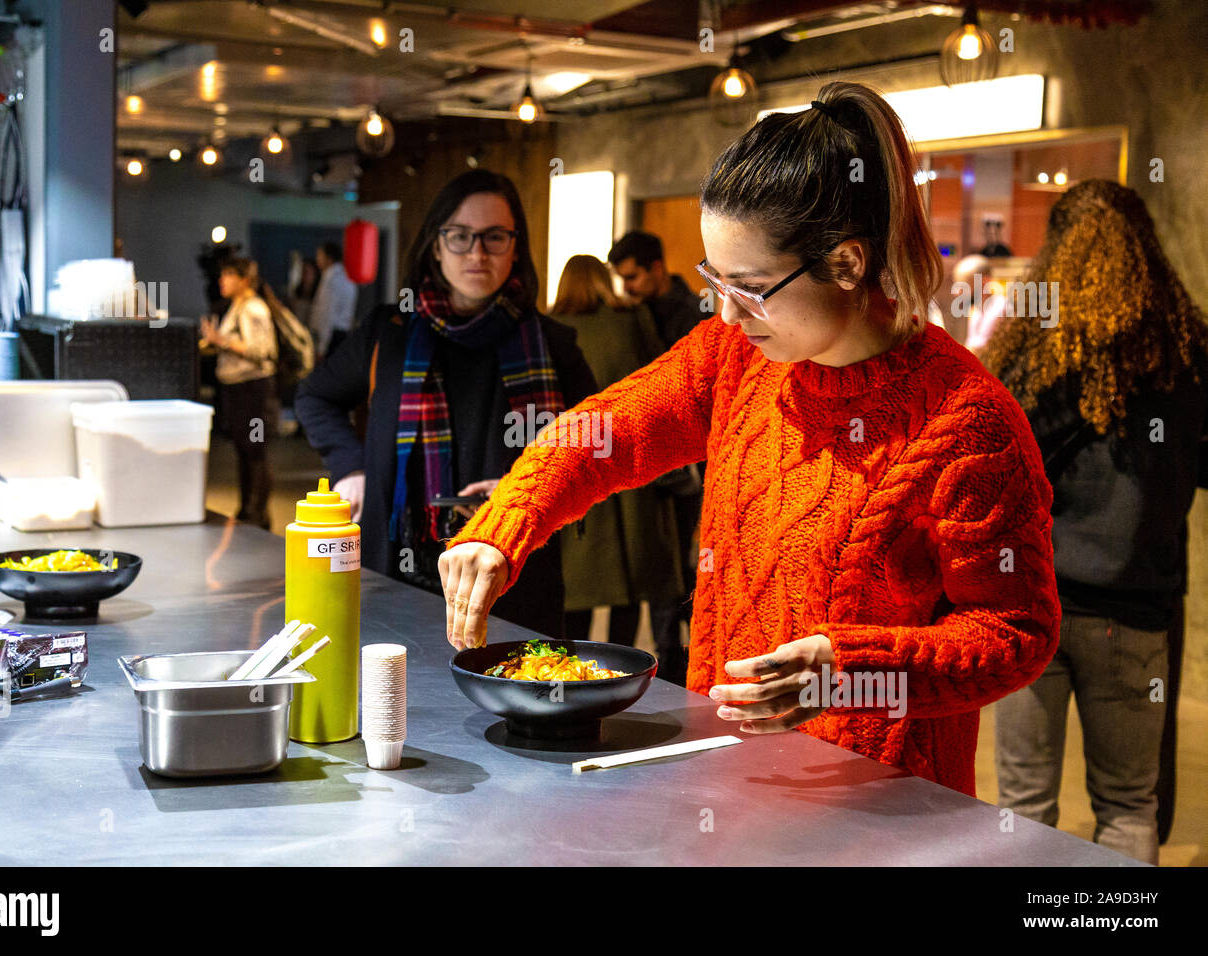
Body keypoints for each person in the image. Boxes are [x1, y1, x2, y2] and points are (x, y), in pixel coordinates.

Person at [438, 82, 1061, 798]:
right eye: (716, 282)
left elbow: (1014, 633)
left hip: (878, 797)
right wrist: (507, 520)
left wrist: (856, 672)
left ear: (848, 264)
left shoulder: (967, 422)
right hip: (721, 772)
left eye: (751, 286)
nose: (729, 314)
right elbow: (602, 432)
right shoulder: (735, 357)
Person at [979, 179, 1208, 863]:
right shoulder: (1187, 351)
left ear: (1055, 250)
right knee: (1128, 803)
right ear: (1145, 249)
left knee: (1023, 804)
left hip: (1033, 609)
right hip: (1134, 611)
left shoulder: (1027, 352)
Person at [295, 169, 598, 640]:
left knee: (512, 704)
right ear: (436, 245)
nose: (477, 253)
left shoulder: (553, 345)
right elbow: (315, 397)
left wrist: (530, 492)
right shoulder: (390, 333)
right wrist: (351, 467)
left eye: (494, 236)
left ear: (515, 245)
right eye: (460, 236)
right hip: (397, 575)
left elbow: (596, 448)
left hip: (514, 584)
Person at [549, 254, 686, 677]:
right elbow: (658, 379)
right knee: (629, 579)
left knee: (579, 583)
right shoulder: (632, 318)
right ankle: (623, 667)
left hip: (576, 461)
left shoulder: (553, 328)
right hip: (630, 460)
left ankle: (569, 671)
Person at [608, 229, 707, 681]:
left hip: (692, 461)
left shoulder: (695, 316)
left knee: (680, 562)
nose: (625, 287)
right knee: (654, 557)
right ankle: (652, 659)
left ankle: (676, 660)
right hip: (649, 457)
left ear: (657, 270)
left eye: (632, 277)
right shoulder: (632, 314)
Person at [200, 257, 278, 530]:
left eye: (229, 275)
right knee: (244, 450)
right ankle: (247, 511)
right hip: (239, 390)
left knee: (255, 451)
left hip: (253, 391)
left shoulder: (253, 308)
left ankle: (258, 515)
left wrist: (220, 340)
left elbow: (261, 350)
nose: (222, 280)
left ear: (244, 280)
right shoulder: (237, 306)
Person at [310, 240, 358, 360]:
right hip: (343, 334)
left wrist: (322, 348)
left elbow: (327, 313)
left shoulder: (331, 278)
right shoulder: (348, 276)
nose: (317, 260)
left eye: (320, 256)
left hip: (332, 337)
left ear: (329, 258)